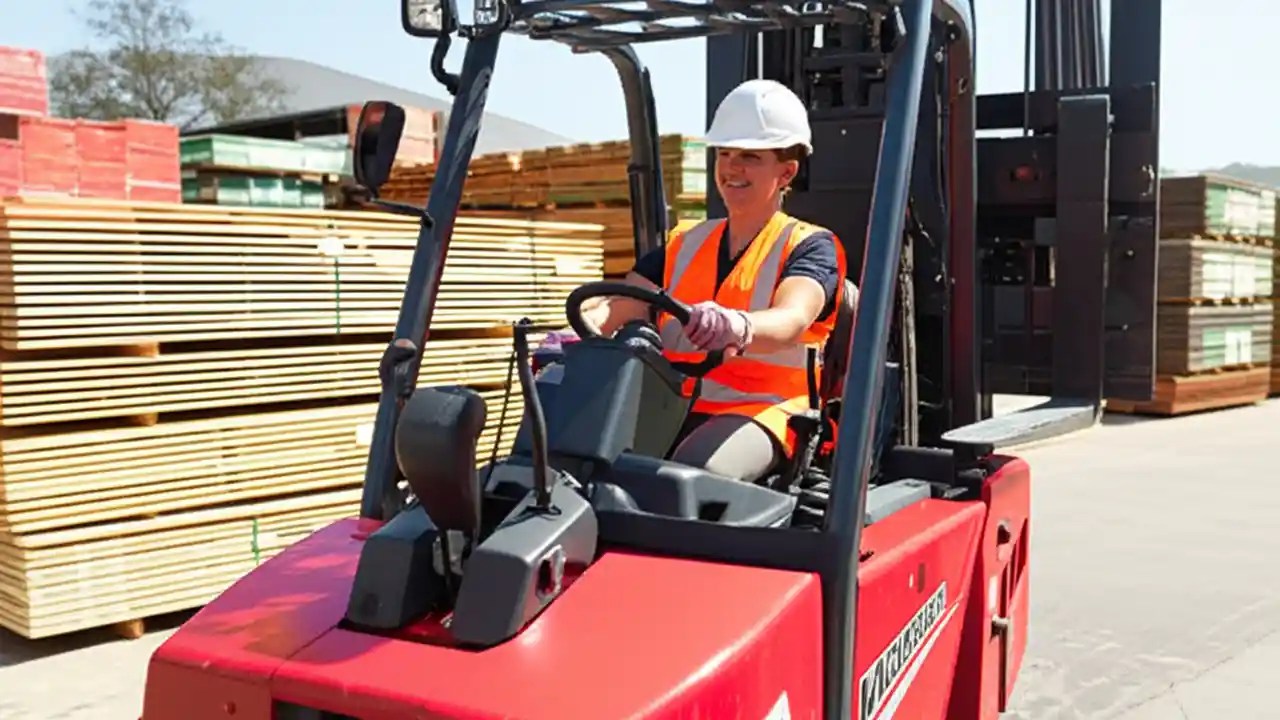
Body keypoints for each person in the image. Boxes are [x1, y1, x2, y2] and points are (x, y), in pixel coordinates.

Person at [543, 79, 848, 483]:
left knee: (689, 477)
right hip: (673, 399)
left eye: (750, 157)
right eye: (724, 153)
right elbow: (620, 305)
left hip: (765, 410)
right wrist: (573, 333)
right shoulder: (684, 243)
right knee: (577, 457)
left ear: (786, 172)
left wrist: (738, 326)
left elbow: (791, 319)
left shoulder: (810, 246)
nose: (731, 168)